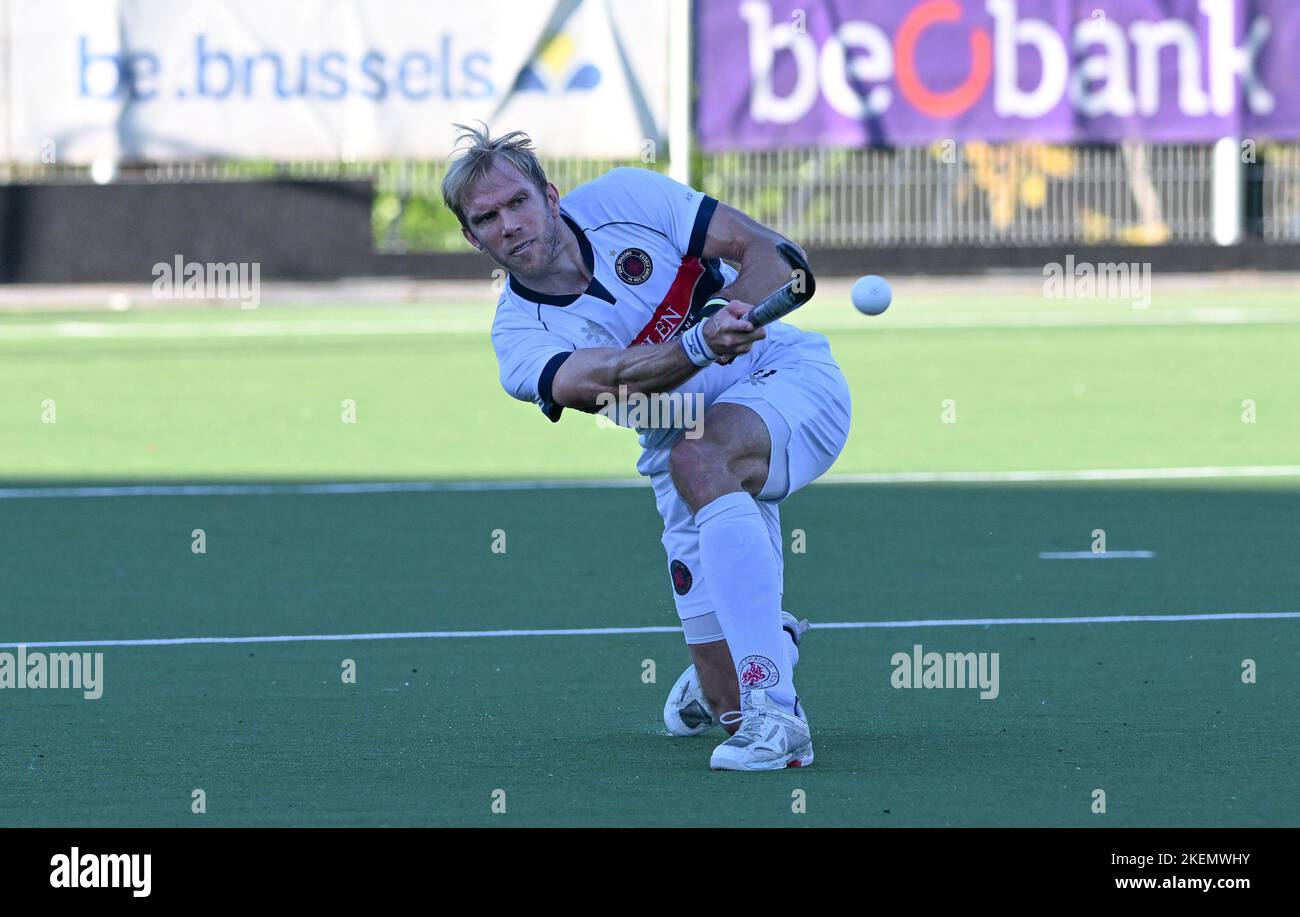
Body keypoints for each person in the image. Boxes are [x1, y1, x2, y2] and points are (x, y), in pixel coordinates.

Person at [441, 123, 851, 771]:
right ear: (472, 237)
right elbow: (608, 379)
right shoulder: (519, 339)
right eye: (487, 218)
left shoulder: (625, 198)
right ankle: (760, 655)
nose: (509, 224)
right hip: (673, 440)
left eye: (517, 202)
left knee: (703, 455)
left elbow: (769, 251)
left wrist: (726, 307)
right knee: (726, 712)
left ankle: (780, 714)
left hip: (784, 379)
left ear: (550, 195)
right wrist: (696, 343)